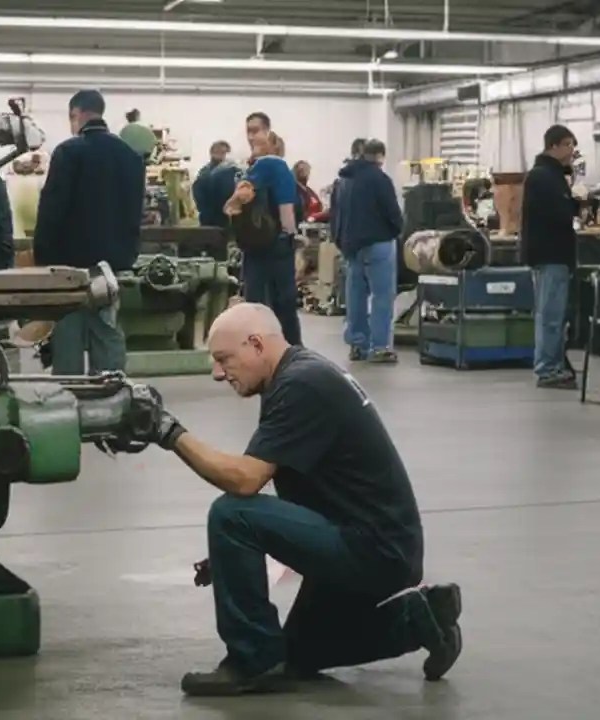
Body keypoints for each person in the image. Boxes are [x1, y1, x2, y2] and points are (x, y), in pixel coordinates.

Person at [139, 302, 463, 696]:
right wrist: (231, 554)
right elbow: (272, 479)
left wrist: (169, 432)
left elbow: (245, 480)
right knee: (297, 654)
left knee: (230, 514)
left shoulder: (301, 385)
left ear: (256, 344)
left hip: (372, 549)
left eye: (224, 359)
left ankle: (250, 662)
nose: (218, 373)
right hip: (376, 543)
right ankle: (423, 619)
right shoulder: (296, 375)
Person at [34, 89, 146, 374]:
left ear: (76, 114)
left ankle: (69, 394)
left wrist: (42, 259)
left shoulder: (68, 152)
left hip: (70, 268)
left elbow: (52, 211)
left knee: (68, 336)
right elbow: (135, 212)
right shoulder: (131, 157)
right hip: (111, 268)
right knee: (107, 332)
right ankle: (112, 391)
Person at [224, 130, 303, 346]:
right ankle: (290, 347)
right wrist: (291, 235)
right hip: (277, 243)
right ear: (277, 147)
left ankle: (255, 345)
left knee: (254, 301)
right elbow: (286, 208)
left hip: (252, 244)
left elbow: (230, 207)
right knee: (284, 301)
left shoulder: (248, 172)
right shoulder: (278, 166)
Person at [330, 139, 403, 363]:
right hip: (378, 243)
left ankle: (357, 344)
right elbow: (393, 212)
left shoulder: (343, 180)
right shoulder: (380, 179)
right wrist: (397, 230)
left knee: (355, 296)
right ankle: (380, 347)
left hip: (351, 246)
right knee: (382, 296)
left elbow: (335, 214)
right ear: (380, 156)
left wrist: (339, 240)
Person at [521, 124, 580, 390]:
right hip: (550, 254)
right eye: (567, 145)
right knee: (551, 316)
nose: (571, 151)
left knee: (554, 315)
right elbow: (558, 213)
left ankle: (553, 364)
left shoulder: (551, 175)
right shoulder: (543, 177)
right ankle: (547, 368)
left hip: (555, 254)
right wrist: (574, 203)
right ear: (553, 146)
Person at [193, 140, 237, 229]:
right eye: (221, 152)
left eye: (224, 153)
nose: (223, 156)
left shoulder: (204, 172)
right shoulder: (228, 172)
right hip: (220, 218)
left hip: (211, 218)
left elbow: (197, 193)